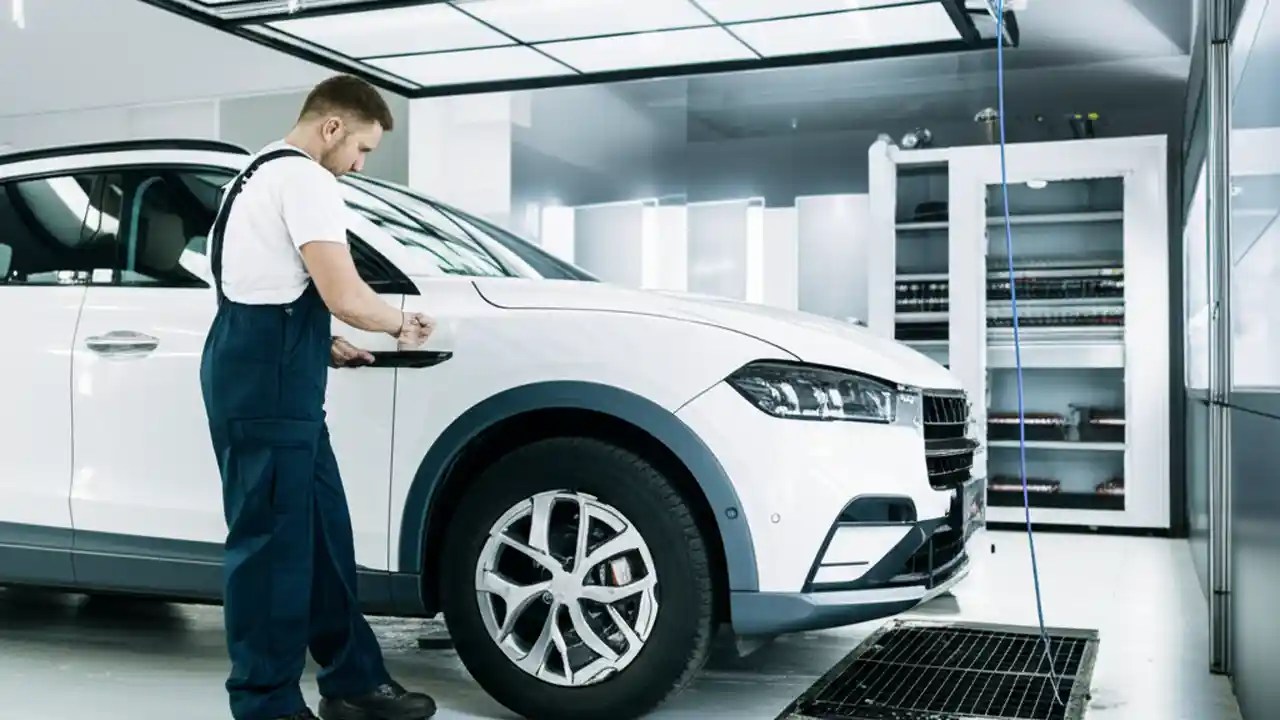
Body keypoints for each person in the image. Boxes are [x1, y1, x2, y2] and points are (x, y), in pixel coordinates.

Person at [199, 74, 437, 720]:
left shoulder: (253, 171)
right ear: (331, 129)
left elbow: (259, 281)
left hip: (262, 361)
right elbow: (348, 293)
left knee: (322, 531)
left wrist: (319, 341)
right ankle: (265, 704)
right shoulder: (307, 179)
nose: (360, 165)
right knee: (272, 548)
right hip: (268, 377)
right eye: (361, 148)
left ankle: (353, 678)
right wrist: (400, 323)